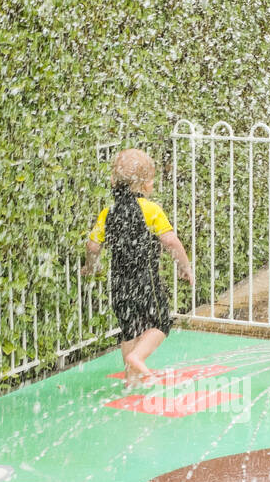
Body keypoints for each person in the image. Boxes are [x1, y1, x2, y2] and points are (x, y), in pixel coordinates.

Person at [83, 149, 195, 383]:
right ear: (146, 185)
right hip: (146, 281)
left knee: (129, 329)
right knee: (161, 322)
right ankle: (137, 359)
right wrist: (184, 266)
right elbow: (170, 241)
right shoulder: (151, 210)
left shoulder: (108, 213)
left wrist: (91, 267)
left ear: (114, 181)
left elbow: (93, 247)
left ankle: (130, 378)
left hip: (119, 282)